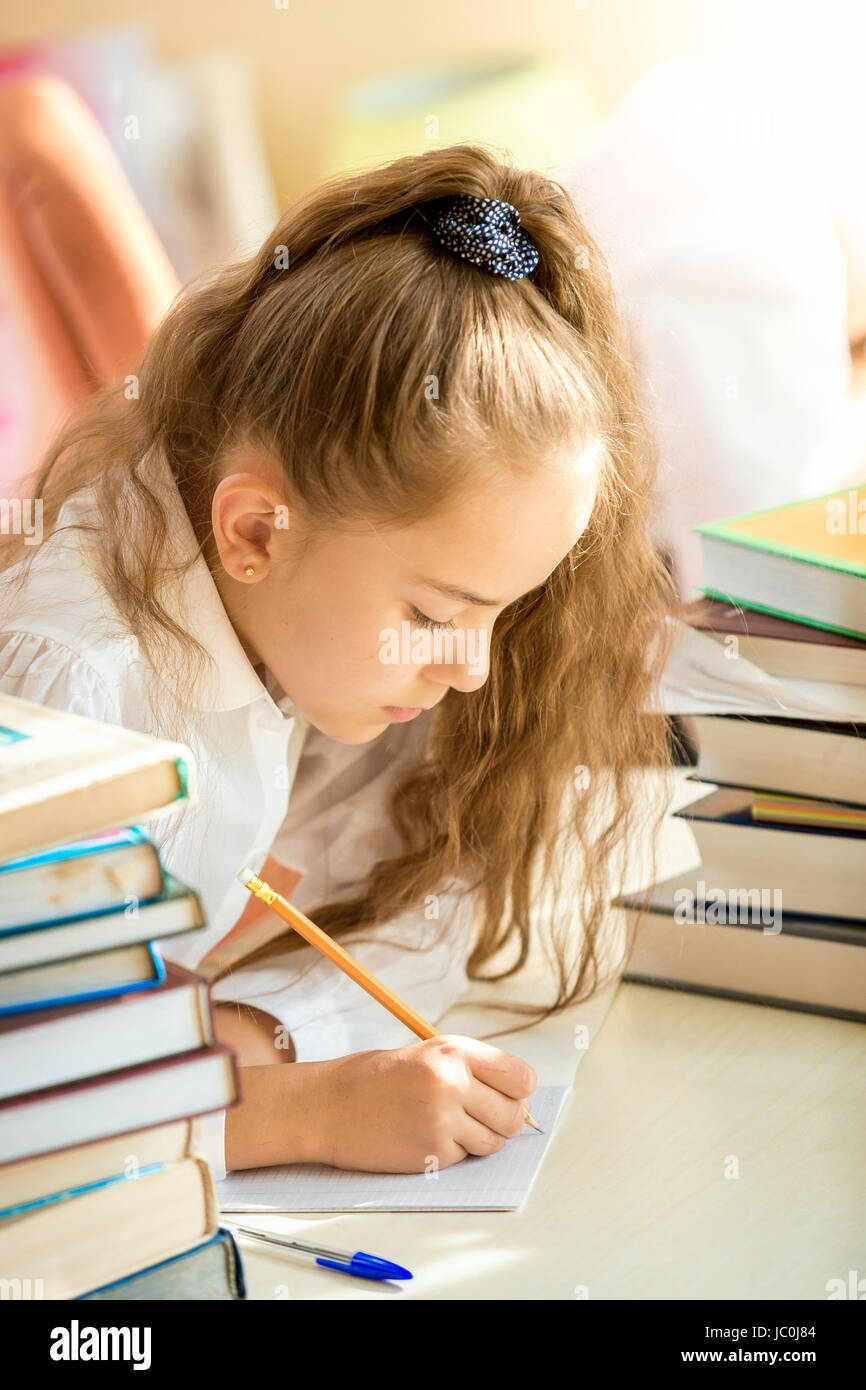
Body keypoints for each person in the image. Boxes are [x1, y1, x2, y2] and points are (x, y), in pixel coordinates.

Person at [0, 143, 677, 1179]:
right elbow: (24, 1104)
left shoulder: (303, 630)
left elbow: (462, 884)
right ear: (257, 532)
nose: (471, 671)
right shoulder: (80, 691)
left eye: (505, 610)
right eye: (440, 610)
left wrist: (260, 1031)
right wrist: (295, 1114)